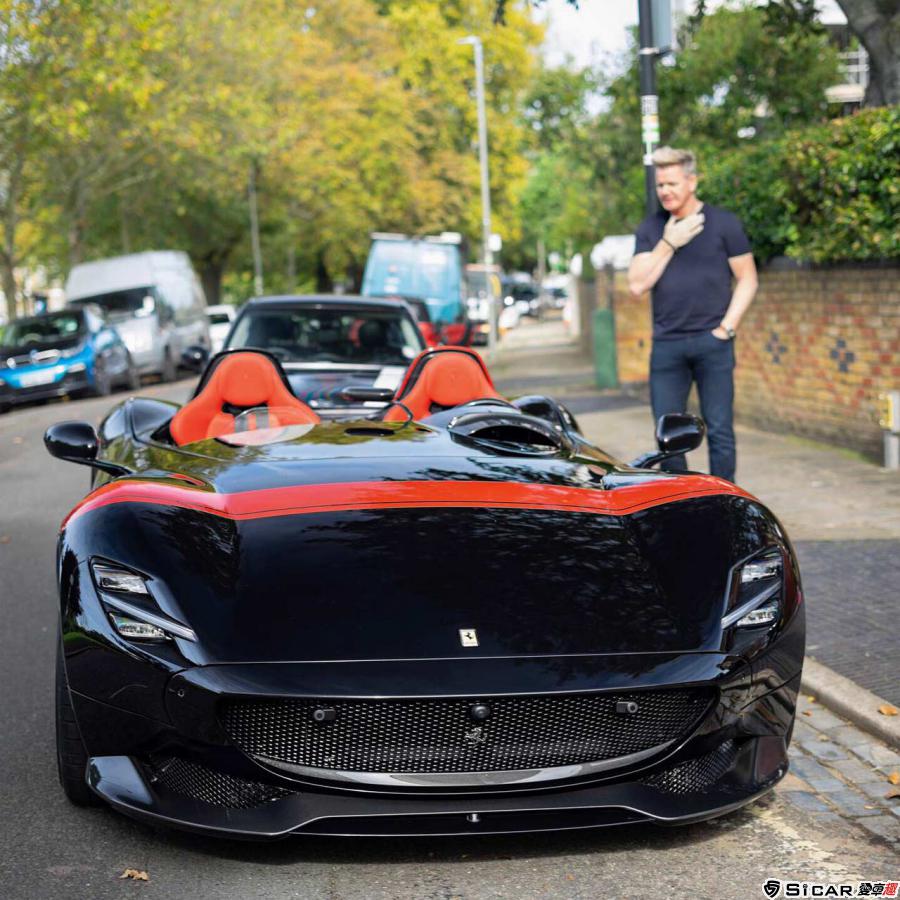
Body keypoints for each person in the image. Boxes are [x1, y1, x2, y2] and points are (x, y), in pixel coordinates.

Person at [628, 146, 758, 483]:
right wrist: (668, 243)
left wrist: (726, 329)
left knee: (720, 430)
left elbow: (748, 279)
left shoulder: (723, 224)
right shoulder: (651, 229)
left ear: (692, 181)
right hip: (668, 345)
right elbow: (637, 285)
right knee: (668, 434)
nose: (665, 191)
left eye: (671, 183)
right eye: (660, 185)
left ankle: (725, 502)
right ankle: (682, 502)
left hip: (712, 342)